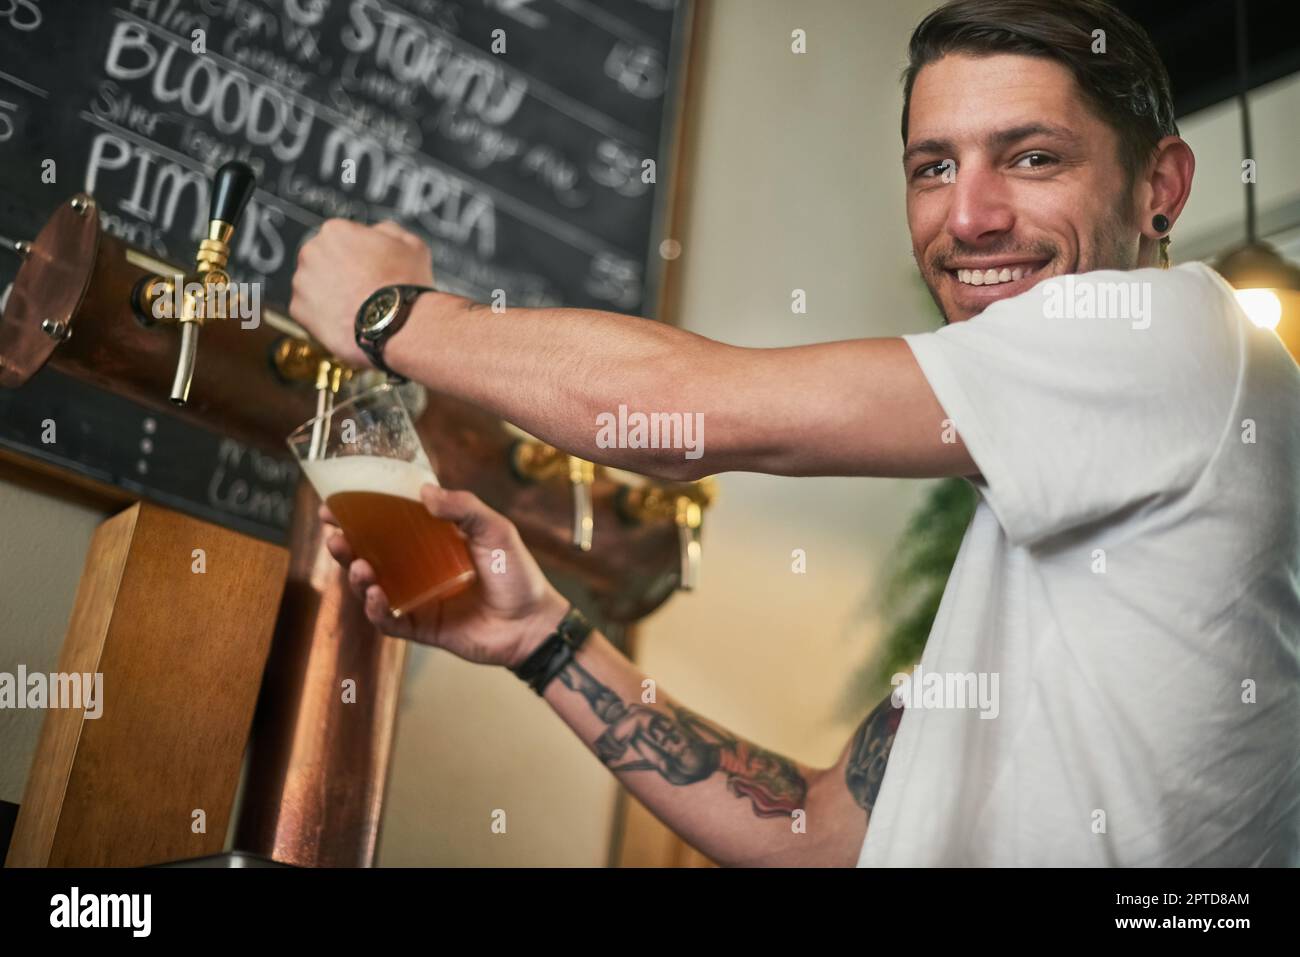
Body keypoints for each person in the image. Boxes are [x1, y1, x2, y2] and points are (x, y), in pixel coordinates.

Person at [291, 0, 1300, 866]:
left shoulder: (1172, 334)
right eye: (932, 167)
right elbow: (817, 832)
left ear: (1160, 187)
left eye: (1032, 158)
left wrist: (392, 312)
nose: (970, 216)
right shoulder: (1051, 532)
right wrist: (541, 640)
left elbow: (684, 412)